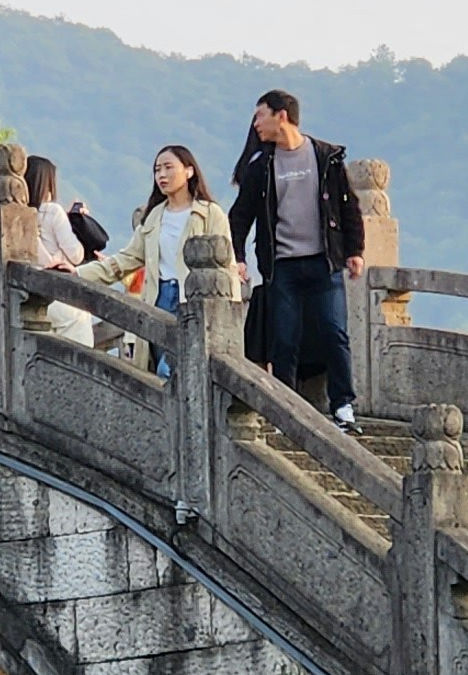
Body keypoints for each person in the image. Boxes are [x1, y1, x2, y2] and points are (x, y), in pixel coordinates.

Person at [227, 89, 367, 424]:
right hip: (283, 267)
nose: (256, 124)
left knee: (334, 331)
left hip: (324, 261)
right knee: (284, 339)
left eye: (260, 115)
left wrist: (355, 251)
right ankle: (286, 408)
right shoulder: (261, 166)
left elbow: (348, 207)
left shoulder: (325, 157)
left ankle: (343, 405)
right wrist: (238, 256)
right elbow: (240, 216)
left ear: (281, 115)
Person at [98, 145, 221, 375]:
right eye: (157, 170)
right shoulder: (154, 216)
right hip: (159, 298)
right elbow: (127, 258)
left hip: (195, 299)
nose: (161, 175)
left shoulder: (210, 214)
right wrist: (78, 274)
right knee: (165, 372)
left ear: (189, 171)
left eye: (168, 168)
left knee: (178, 369)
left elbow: (227, 265)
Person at [20, 155, 98, 348]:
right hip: (52, 294)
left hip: (23, 292)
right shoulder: (52, 211)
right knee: (78, 319)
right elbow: (76, 254)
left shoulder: (17, 214)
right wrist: (78, 223)